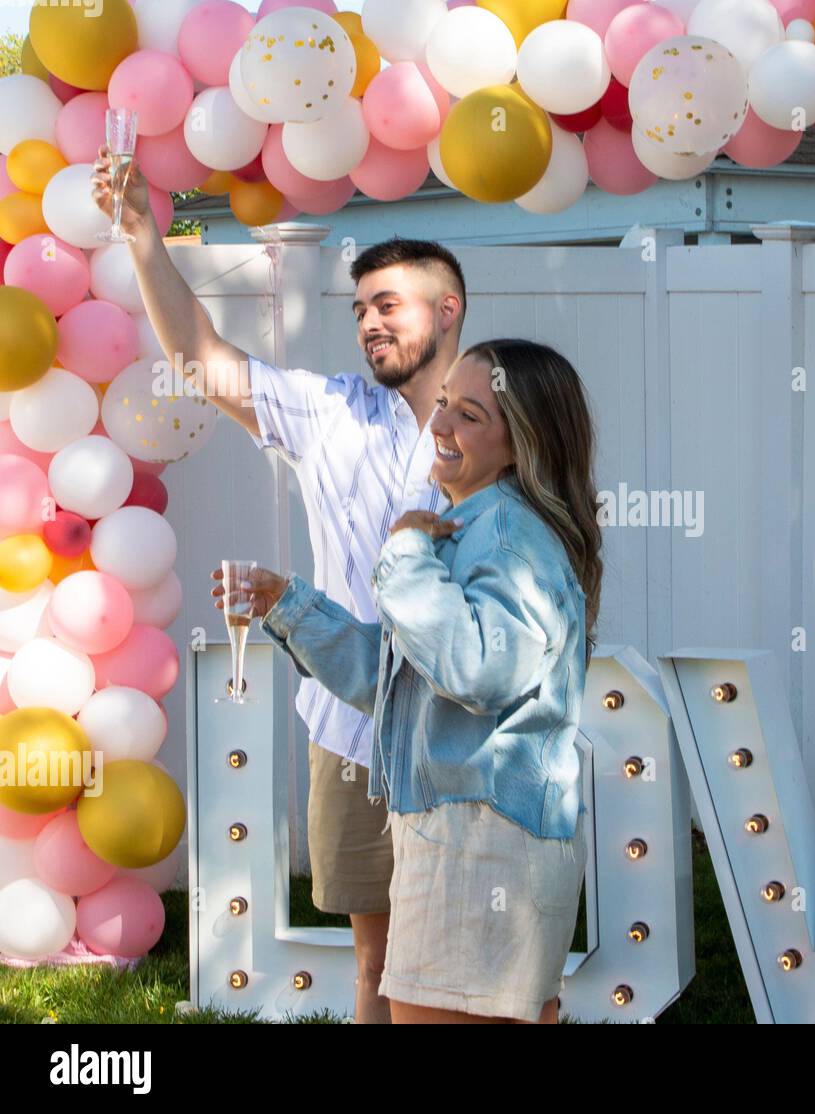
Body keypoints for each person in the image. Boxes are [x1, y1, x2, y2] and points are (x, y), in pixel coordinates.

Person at [90, 152, 469, 1024]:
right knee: (376, 954)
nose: (370, 324)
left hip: (466, 734)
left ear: (447, 312)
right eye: (362, 309)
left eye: (390, 306)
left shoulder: (499, 419)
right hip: (352, 731)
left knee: (465, 952)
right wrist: (149, 235)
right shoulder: (327, 410)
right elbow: (200, 355)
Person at [213, 339, 603, 1024]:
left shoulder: (504, 539)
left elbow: (476, 672)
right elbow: (402, 683)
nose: (442, 425)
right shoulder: (469, 526)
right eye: (445, 403)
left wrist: (402, 553)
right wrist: (289, 605)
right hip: (463, 841)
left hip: (483, 851)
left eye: (471, 415)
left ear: (522, 444)